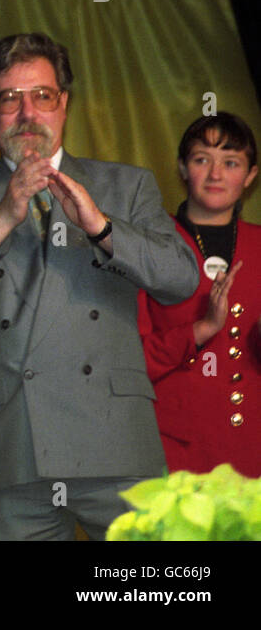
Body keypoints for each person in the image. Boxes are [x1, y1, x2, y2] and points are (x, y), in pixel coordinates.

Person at [0, 32, 199, 540]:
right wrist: (0, 218)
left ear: (63, 104)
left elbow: (180, 281)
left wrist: (102, 228)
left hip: (116, 441)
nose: (27, 113)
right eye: (8, 98)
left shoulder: (124, 187)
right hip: (11, 448)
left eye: (42, 96)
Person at [139, 112, 260, 477]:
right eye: (202, 159)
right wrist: (201, 330)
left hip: (252, 450)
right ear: (181, 168)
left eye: (231, 162)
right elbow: (130, 362)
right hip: (176, 453)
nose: (216, 174)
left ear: (251, 176)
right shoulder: (149, 246)